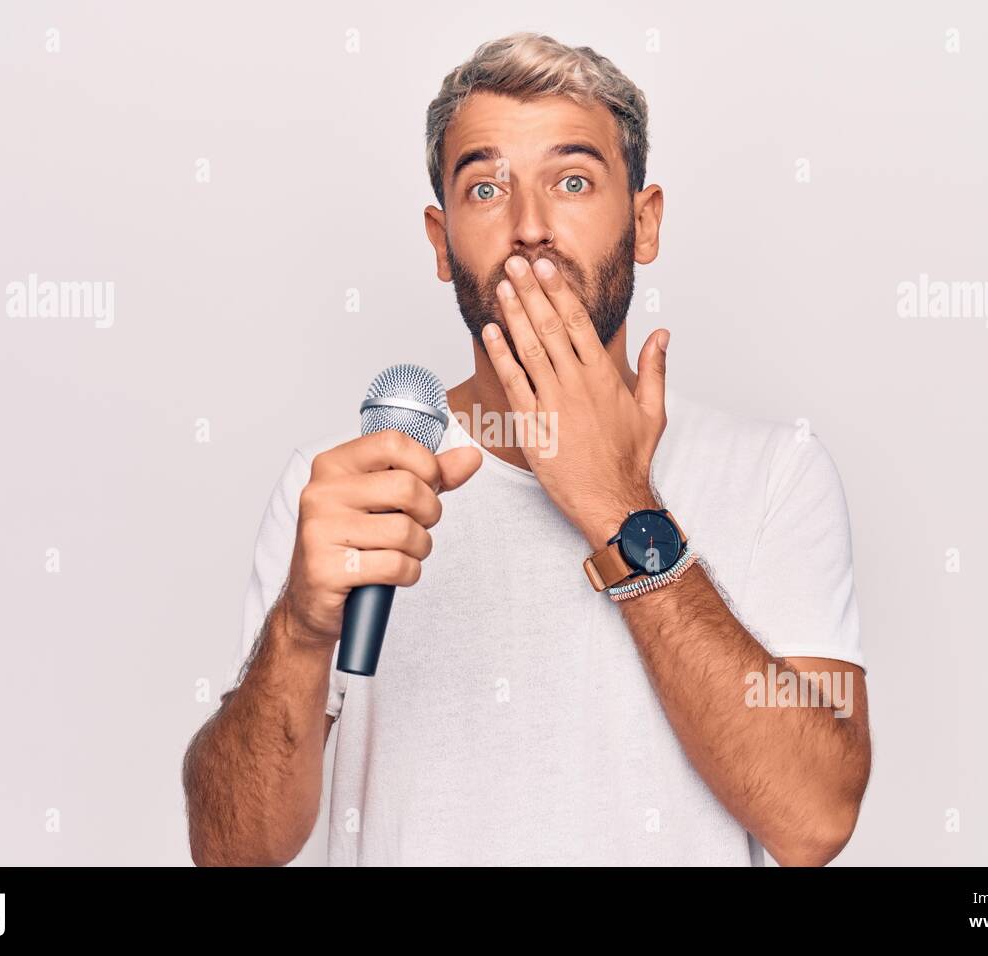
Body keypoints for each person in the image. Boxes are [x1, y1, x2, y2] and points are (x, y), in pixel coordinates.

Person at [183, 31, 871, 866]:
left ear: (643, 221)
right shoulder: (347, 487)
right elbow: (231, 849)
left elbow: (816, 818)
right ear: (441, 242)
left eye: (573, 180)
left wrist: (622, 505)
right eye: (485, 188)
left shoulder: (773, 475)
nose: (531, 227)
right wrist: (297, 630)